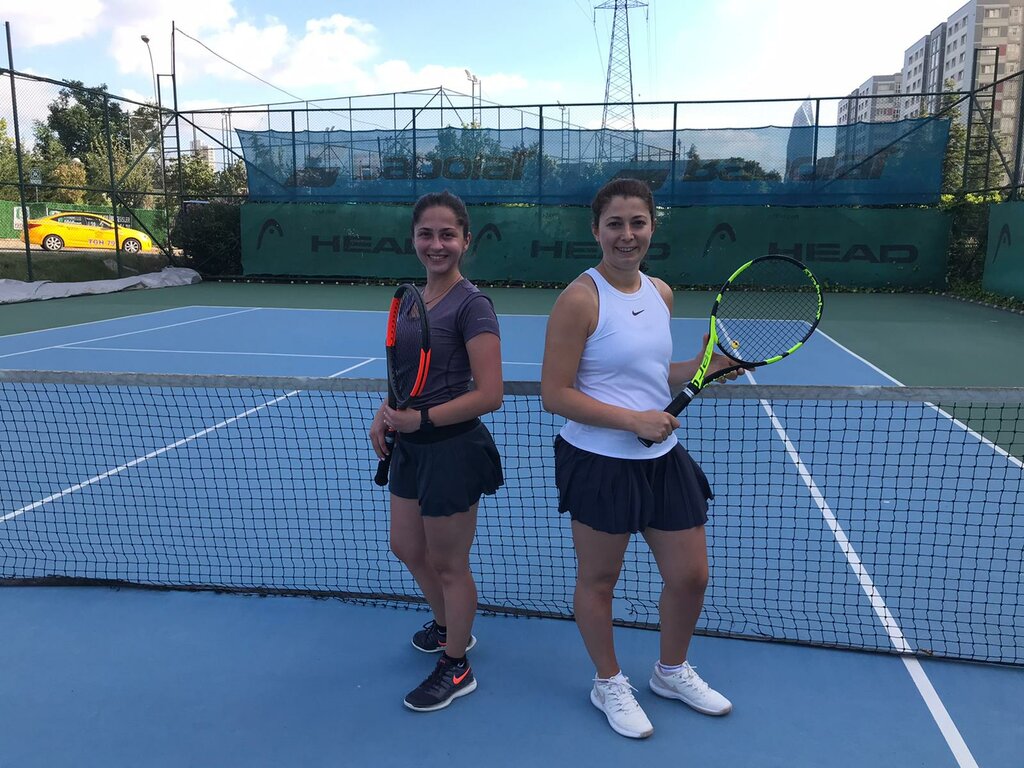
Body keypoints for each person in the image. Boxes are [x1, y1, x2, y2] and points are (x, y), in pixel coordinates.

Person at [540, 178, 742, 739]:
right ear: (596, 230)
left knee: (691, 575)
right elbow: (555, 393)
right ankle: (608, 682)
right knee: (600, 579)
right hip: (599, 460)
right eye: (615, 224)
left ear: (652, 226)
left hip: (663, 459)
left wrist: (705, 364)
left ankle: (670, 671)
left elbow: (654, 376)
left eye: (638, 223)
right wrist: (632, 421)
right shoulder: (580, 298)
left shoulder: (661, 292)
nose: (627, 235)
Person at [368, 190, 504, 712]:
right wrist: (386, 412)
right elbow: (404, 376)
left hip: (452, 448)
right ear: (414, 239)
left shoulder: (474, 305)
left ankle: (456, 666)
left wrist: (420, 418)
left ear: (466, 240)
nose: (436, 244)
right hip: (411, 447)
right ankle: (450, 625)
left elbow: (488, 394)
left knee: (449, 563)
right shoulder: (410, 301)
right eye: (426, 233)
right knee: (407, 546)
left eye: (448, 234)